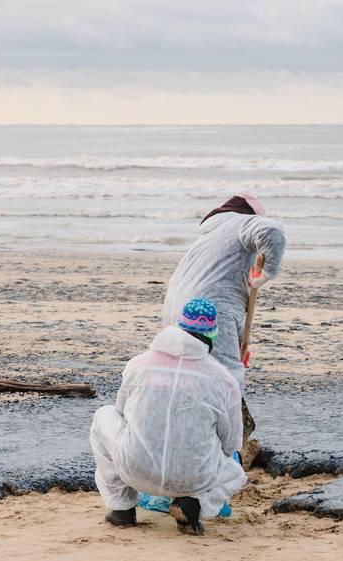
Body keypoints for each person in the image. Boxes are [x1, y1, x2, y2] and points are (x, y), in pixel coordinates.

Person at [90, 297, 245, 535]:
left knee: (105, 415)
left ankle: (121, 508)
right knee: (235, 473)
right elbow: (231, 443)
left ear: (179, 327)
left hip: (135, 470)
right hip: (193, 479)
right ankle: (193, 505)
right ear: (212, 336)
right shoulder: (224, 380)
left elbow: (121, 413)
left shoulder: (139, 365)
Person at [162, 193, 285, 440]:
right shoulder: (240, 223)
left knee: (190, 374)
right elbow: (273, 231)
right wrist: (267, 274)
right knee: (226, 379)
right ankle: (227, 449)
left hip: (178, 309)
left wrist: (238, 339)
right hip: (210, 310)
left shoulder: (210, 235)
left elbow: (224, 275)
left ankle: (185, 435)